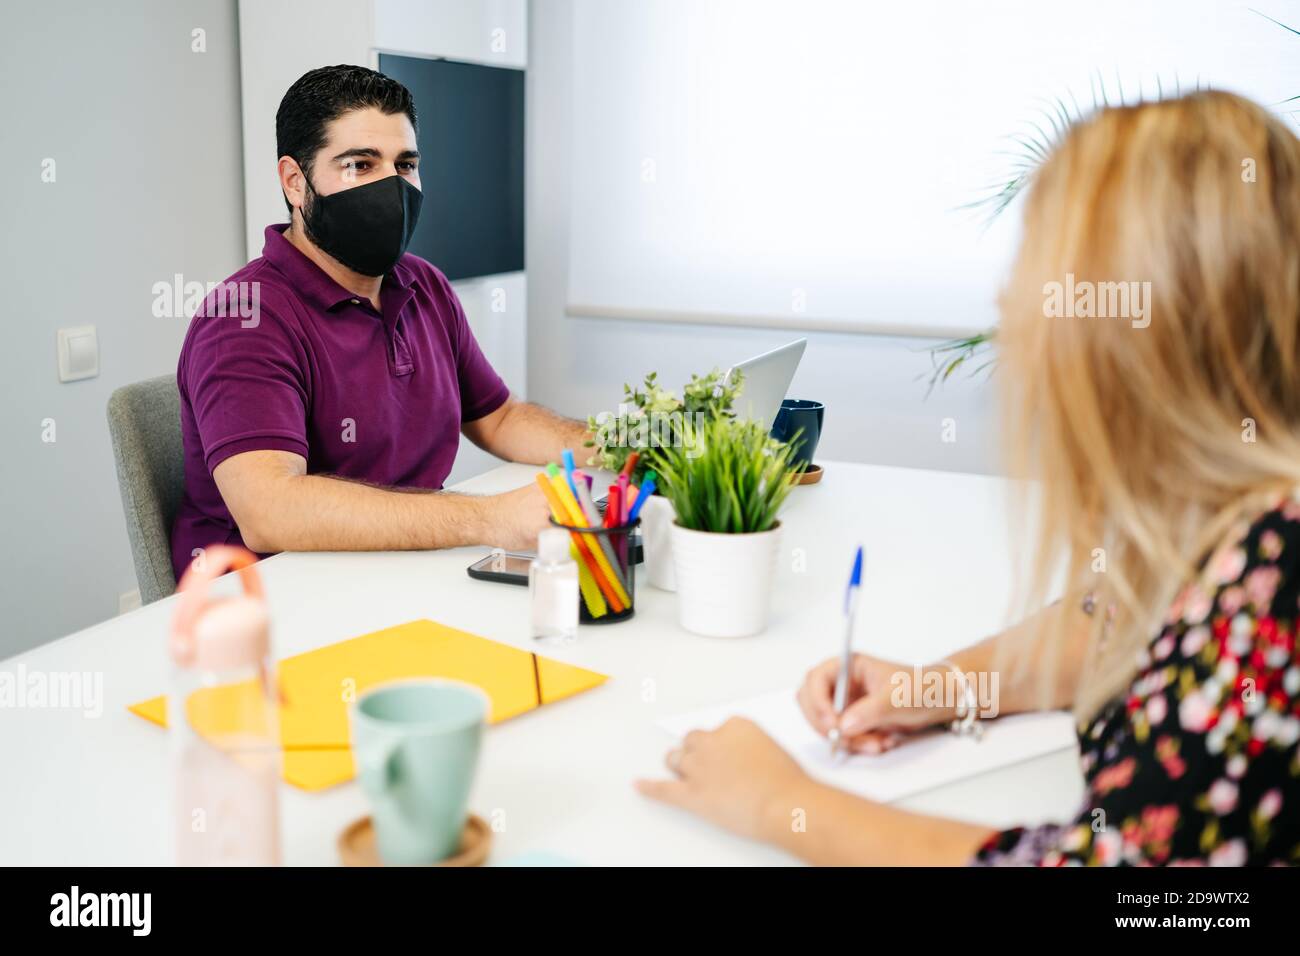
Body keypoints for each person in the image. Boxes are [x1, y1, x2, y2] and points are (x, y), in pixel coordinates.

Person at [637, 90, 1300, 866]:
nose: (1010, 300)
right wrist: (939, 688)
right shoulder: (1226, 525)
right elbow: (1108, 620)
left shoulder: (1278, 573)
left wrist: (786, 805)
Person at [171, 65, 578, 580]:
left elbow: (498, 419)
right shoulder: (243, 316)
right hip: (270, 605)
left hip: (398, 571)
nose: (392, 185)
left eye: (404, 164)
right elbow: (270, 511)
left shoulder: (422, 284)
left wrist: (620, 443)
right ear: (296, 183)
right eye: (360, 165)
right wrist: (490, 517)